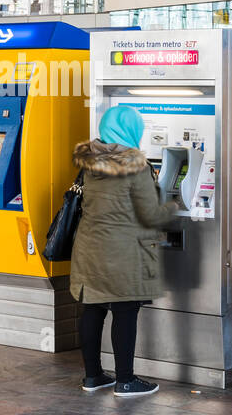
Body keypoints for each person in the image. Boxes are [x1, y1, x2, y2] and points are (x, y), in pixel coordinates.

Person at [69, 105, 179, 397]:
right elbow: (150, 213)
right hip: (122, 250)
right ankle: (126, 380)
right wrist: (173, 207)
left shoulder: (90, 162)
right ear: (132, 131)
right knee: (125, 310)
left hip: (90, 245)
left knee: (92, 309)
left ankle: (93, 376)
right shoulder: (136, 165)